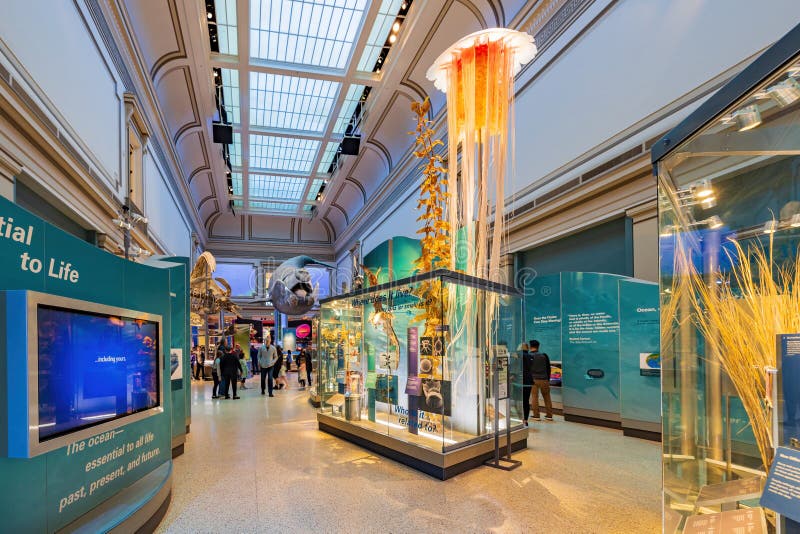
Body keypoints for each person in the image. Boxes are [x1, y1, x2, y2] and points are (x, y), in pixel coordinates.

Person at [528, 339, 553, 421]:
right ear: (538, 346)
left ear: (530, 346)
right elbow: (548, 368)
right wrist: (548, 379)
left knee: (534, 397)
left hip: (533, 380)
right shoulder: (544, 355)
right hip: (544, 379)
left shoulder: (529, 356)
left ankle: (536, 415)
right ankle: (549, 415)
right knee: (547, 397)